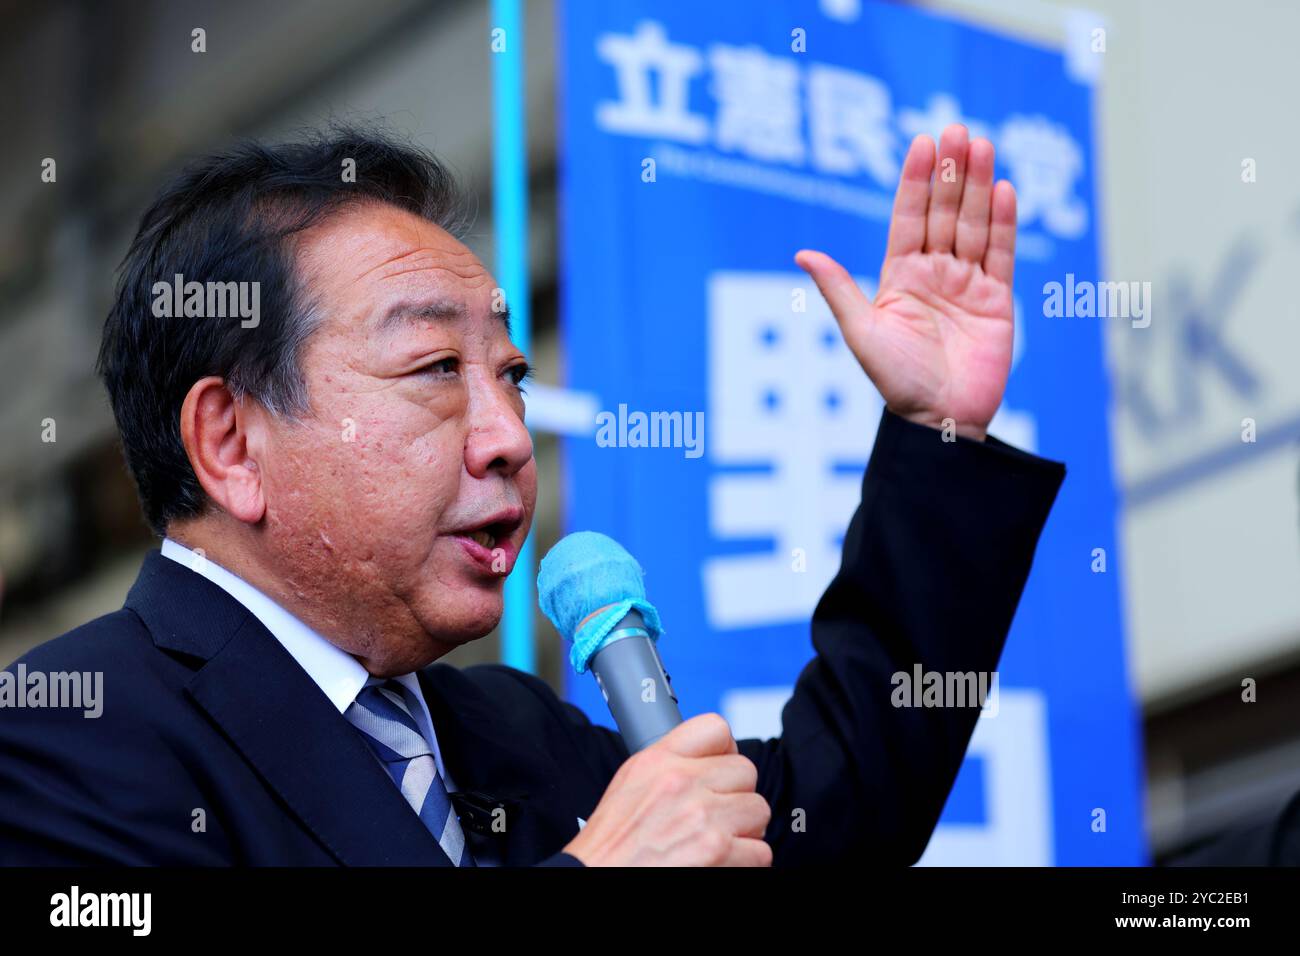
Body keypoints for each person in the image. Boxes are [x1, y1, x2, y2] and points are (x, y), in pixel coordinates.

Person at [0, 123, 1063, 866]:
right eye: (432, 371)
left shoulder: (505, 730)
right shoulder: (64, 739)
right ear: (230, 441)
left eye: (509, 374)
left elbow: (833, 817)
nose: (510, 437)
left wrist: (940, 428)